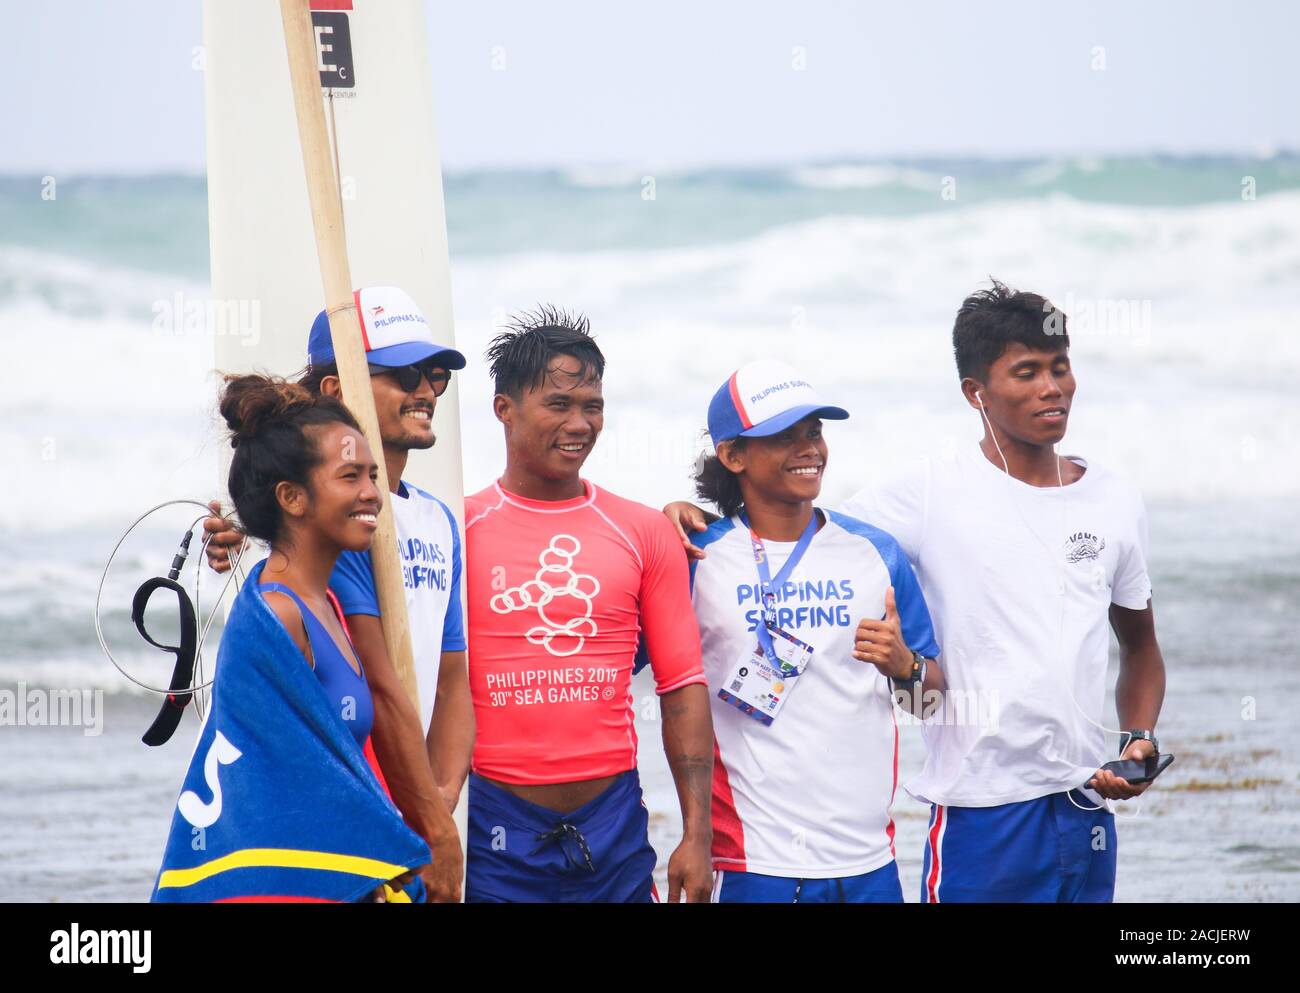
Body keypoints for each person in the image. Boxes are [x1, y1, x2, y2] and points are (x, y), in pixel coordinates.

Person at [667, 280, 1168, 903]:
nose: (1051, 387)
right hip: (976, 808)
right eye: (1027, 372)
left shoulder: (1114, 500)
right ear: (975, 393)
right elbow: (787, 523)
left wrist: (1138, 738)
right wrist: (677, 518)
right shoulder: (923, 495)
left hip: (1086, 799)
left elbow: (1140, 646)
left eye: (1060, 368)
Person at [203, 286, 468, 902]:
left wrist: (438, 801)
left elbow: (455, 678)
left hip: (408, 807)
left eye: (434, 376)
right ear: (338, 386)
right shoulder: (342, 539)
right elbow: (375, 689)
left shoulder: (433, 521)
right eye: (404, 374)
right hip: (359, 813)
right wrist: (423, 820)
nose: (425, 390)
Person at [462, 307, 715, 903]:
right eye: (558, 404)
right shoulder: (461, 528)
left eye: (592, 406)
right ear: (504, 409)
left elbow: (682, 685)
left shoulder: (645, 531)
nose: (580, 424)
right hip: (492, 827)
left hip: (615, 826)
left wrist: (696, 833)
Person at [152, 374, 429, 902]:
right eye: (351, 476)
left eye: (372, 474)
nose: (373, 492)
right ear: (292, 498)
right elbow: (281, 787)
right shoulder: (277, 617)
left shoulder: (329, 607)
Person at [687, 359, 942, 902]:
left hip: (870, 862)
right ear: (733, 455)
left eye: (814, 432)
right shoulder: (697, 557)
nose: (809, 448)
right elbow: (639, 680)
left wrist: (906, 666)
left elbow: (932, 704)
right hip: (754, 863)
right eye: (783, 436)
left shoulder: (876, 554)